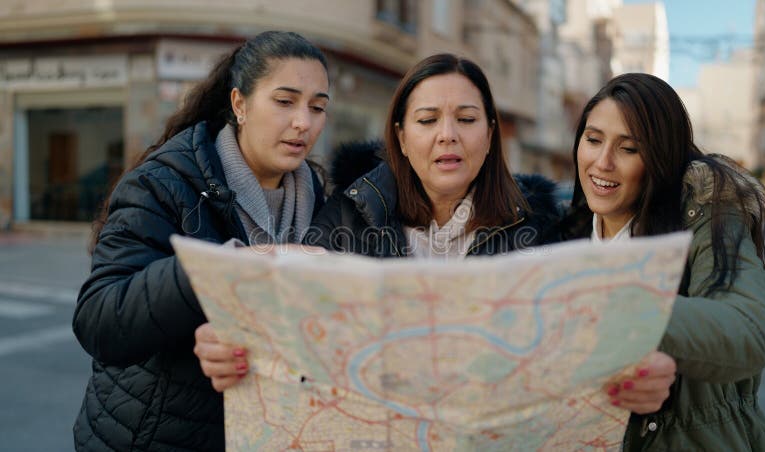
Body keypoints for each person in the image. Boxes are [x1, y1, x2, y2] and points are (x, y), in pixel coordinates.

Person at [193, 55, 674, 427]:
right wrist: (234, 347)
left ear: (490, 134)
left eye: (466, 119)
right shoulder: (343, 222)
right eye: (427, 121)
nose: (448, 136)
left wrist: (638, 380)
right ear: (401, 138)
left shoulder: (547, 231)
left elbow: (583, 359)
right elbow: (290, 343)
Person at [72, 31, 330, 451]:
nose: (304, 121)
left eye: (317, 107)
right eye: (285, 101)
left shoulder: (320, 198)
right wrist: (222, 269)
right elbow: (99, 319)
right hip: (154, 433)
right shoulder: (162, 183)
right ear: (239, 104)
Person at [560, 72, 765, 450]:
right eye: (593, 140)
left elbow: (750, 331)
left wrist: (624, 309)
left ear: (661, 158)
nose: (602, 162)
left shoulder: (707, 220)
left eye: (628, 149)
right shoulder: (563, 234)